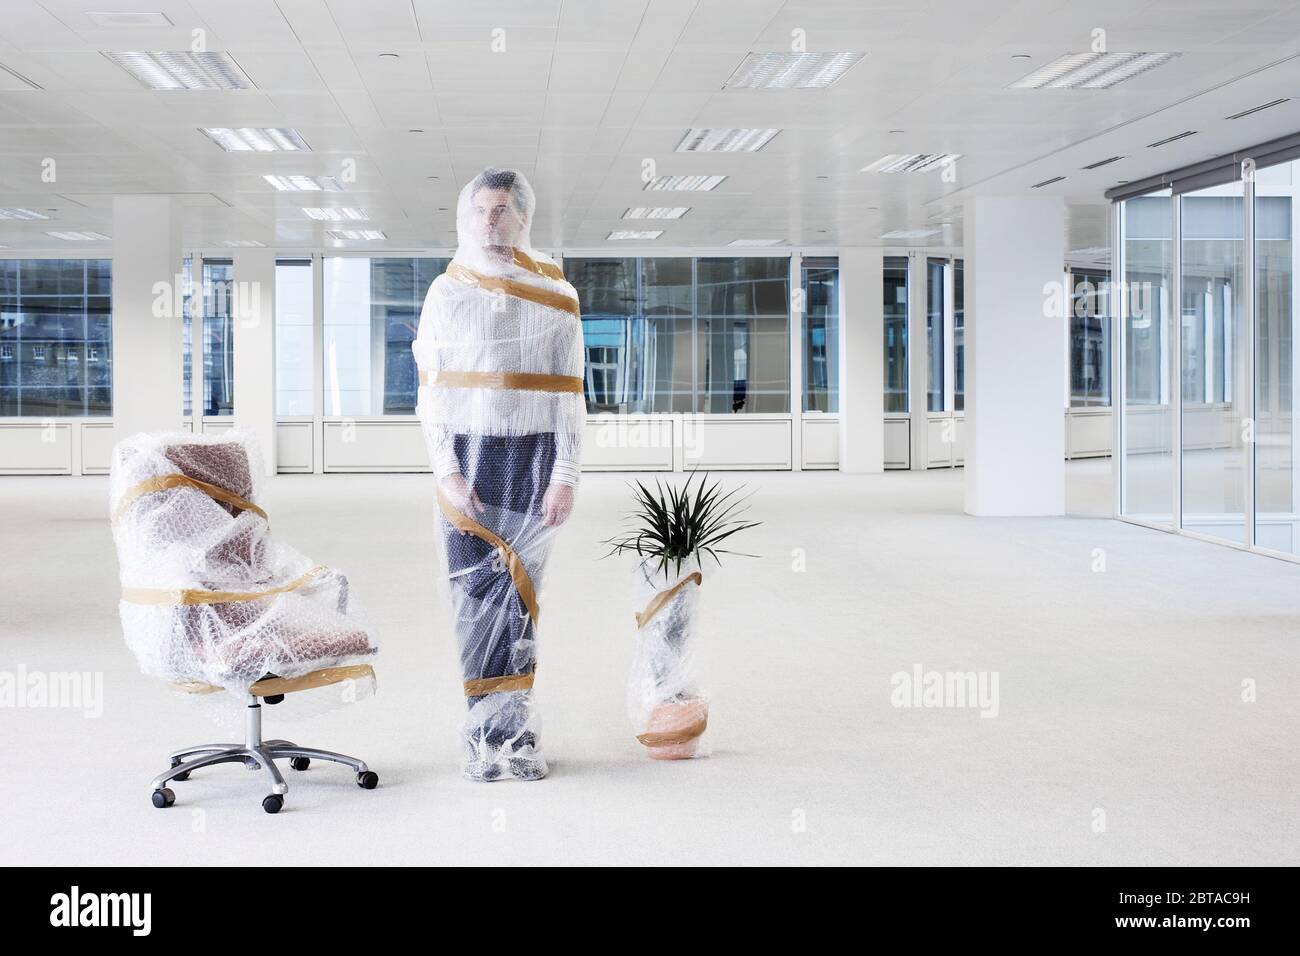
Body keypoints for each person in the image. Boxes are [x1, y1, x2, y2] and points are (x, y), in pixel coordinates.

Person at [413, 168, 585, 781]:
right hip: (468, 456)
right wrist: (447, 472)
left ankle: (517, 733)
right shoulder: (449, 292)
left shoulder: (556, 294)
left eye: (503, 209)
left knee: (518, 599)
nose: (491, 220)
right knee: (475, 597)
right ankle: (482, 735)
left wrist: (565, 475)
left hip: (532, 456)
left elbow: (568, 396)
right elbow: (432, 395)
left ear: (523, 218)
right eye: (482, 209)